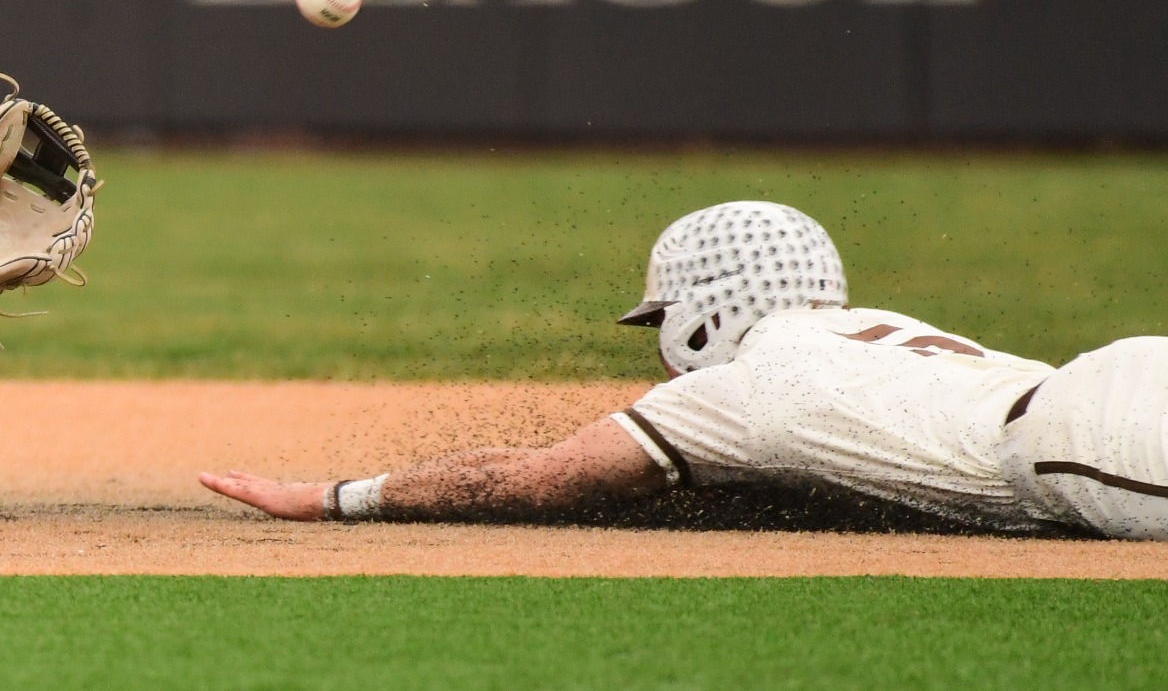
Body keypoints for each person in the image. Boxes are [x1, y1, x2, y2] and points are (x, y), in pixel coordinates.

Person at [202, 200, 1168, 541]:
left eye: (663, 318)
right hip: (1113, 381)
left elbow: (533, 478)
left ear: (706, 308)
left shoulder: (737, 391)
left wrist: (338, 497)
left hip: (1082, 444)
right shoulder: (871, 328)